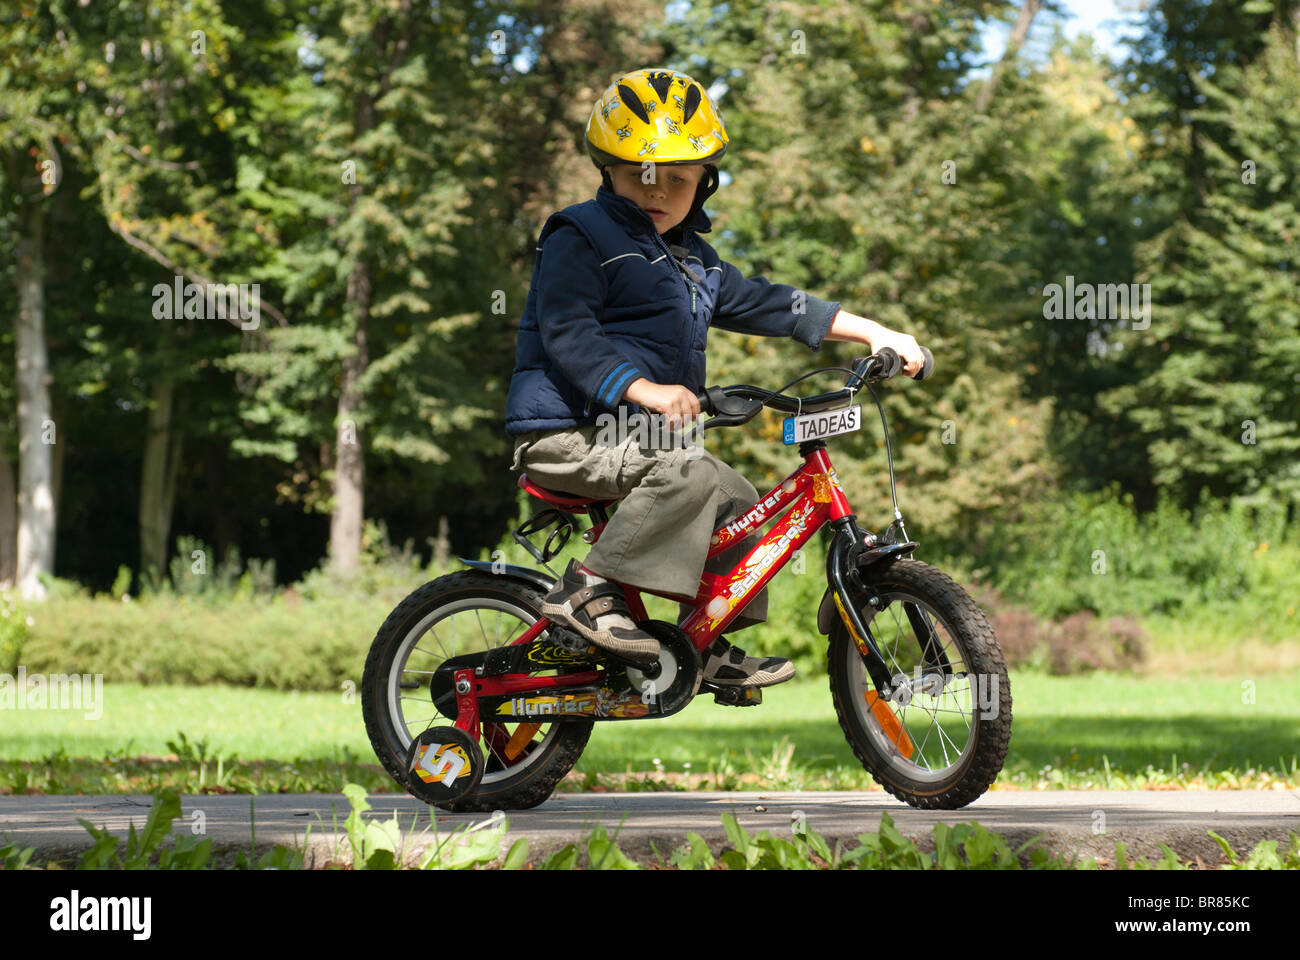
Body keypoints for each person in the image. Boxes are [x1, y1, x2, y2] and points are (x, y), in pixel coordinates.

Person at [505, 68, 925, 686]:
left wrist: (874, 333)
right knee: (691, 469)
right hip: (566, 433)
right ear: (608, 173)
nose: (659, 192)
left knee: (739, 499)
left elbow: (775, 304)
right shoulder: (579, 235)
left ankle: (704, 642)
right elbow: (570, 333)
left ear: (705, 182)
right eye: (640, 176)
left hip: (634, 441)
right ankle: (587, 593)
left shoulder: (696, 262)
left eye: (679, 179)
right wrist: (644, 390)